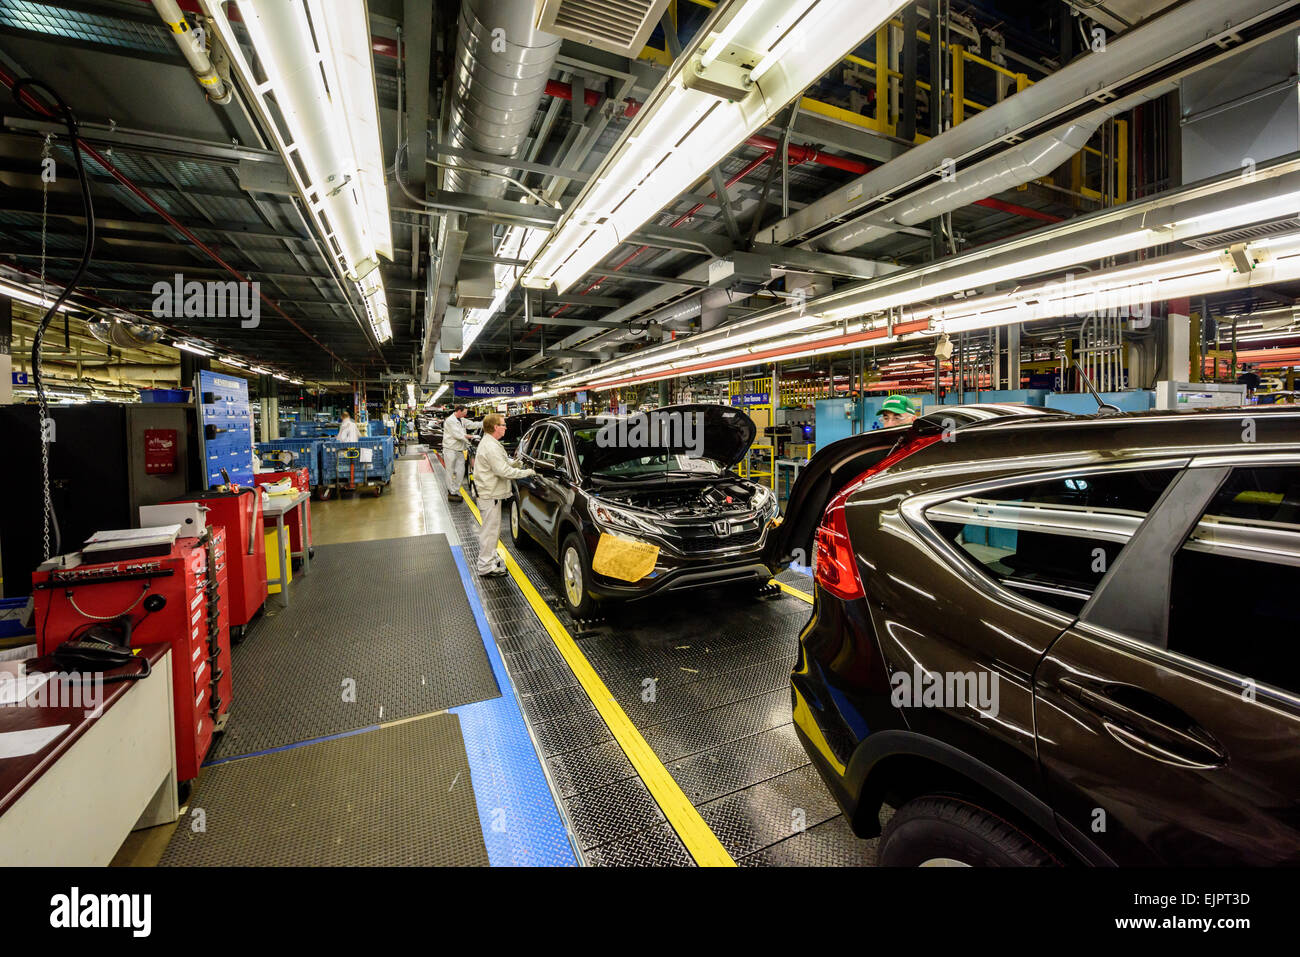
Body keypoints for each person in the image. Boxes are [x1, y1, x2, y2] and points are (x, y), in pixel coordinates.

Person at [472, 413, 535, 577]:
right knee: (490, 532)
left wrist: (517, 463)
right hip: (489, 494)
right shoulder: (490, 446)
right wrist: (527, 472)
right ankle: (485, 566)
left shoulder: (492, 443)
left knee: (492, 530)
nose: (506, 427)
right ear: (495, 427)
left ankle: (490, 560)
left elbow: (503, 461)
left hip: (490, 493)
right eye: (503, 424)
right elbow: (503, 471)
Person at [441, 404, 481, 501]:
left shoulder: (461, 420)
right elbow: (458, 435)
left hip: (459, 450)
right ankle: (451, 491)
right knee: (450, 471)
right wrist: (472, 437)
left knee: (461, 471)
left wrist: (485, 423)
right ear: (459, 411)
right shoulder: (450, 421)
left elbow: (472, 424)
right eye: (464, 412)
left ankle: (455, 489)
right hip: (450, 449)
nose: (465, 415)